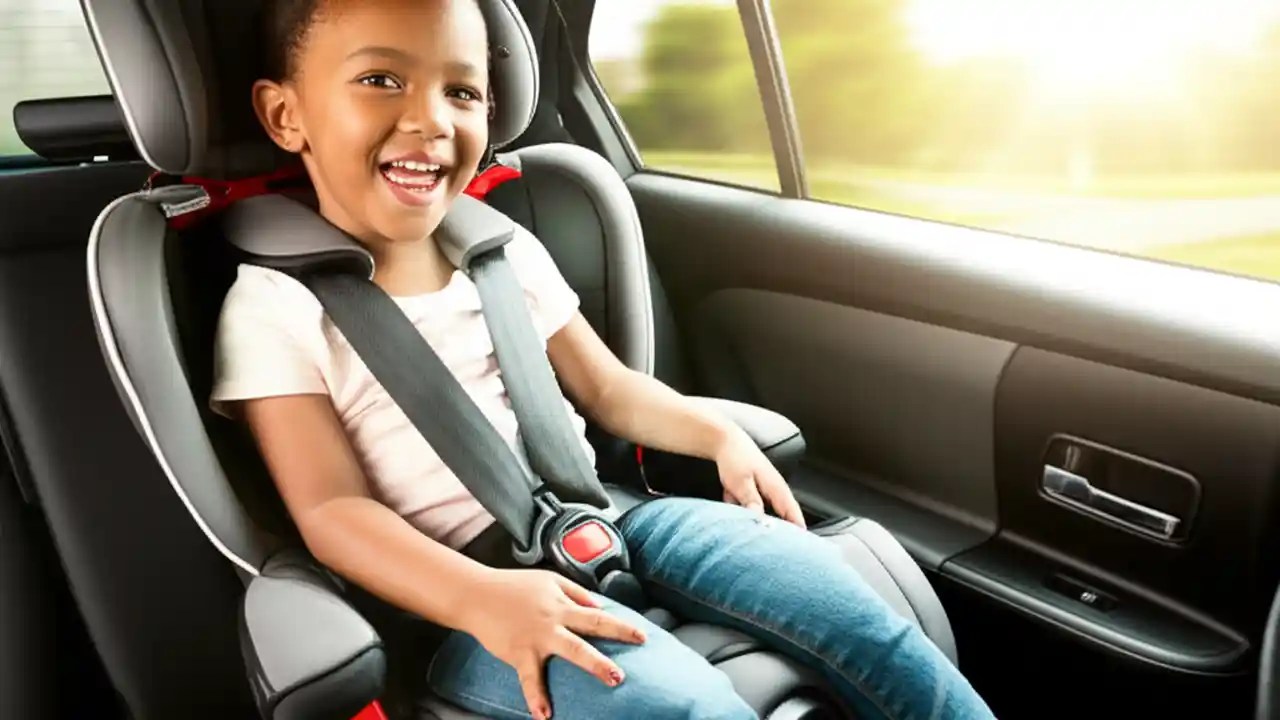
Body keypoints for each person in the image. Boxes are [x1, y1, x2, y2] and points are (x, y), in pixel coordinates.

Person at [210, 0, 997, 718]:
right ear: (285, 114)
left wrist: (714, 433)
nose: (430, 119)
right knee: (685, 708)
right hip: (466, 603)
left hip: (611, 518)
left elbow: (610, 390)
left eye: (462, 91)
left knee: (855, 614)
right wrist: (482, 597)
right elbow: (333, 514)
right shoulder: (276, 306)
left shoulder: (501, 248)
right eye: (381, 79)